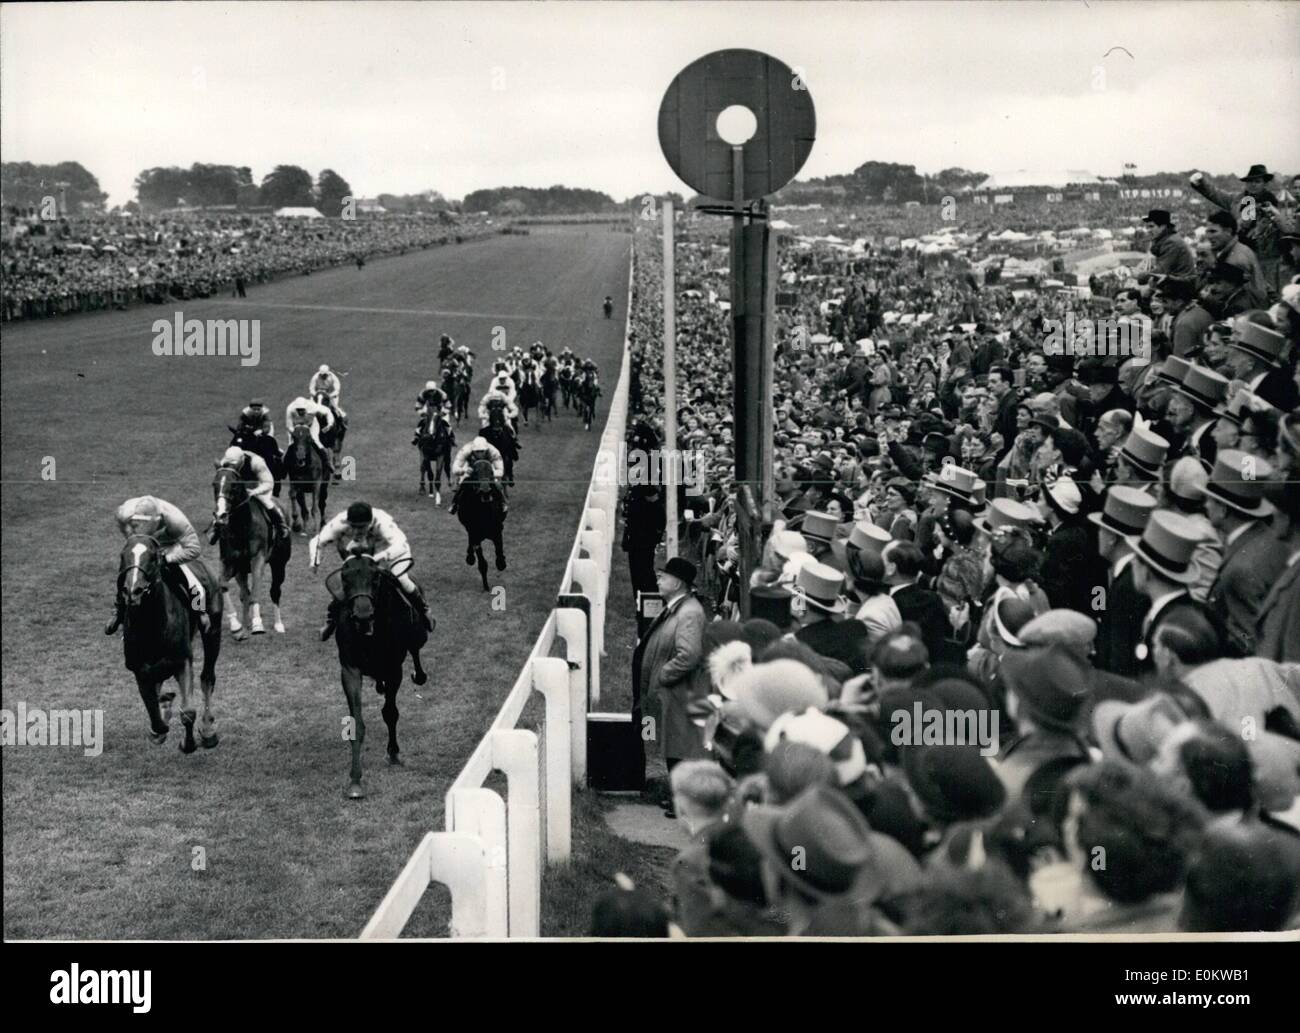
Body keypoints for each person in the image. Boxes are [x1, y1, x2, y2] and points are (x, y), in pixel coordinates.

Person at [633, 556, 707, 812]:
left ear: (677, 583)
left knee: (680, 747)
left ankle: (684, 802)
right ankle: (679, 799)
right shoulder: (679, 607)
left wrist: (663, 675)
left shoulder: (689, 613)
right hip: (673, 693)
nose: (658, 579)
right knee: (673, 746)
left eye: (663, 576)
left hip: (679, 692)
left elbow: (689, 654)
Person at [310, 500, 433, 639]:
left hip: (391, 550)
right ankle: (331, 620)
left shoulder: (383, 522)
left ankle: (423, 610)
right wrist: (315, 560)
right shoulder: (339, 522)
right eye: (353, 527)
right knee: (351, 581)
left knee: (400, 578)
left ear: (369, 523)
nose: (356, 532)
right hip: (364, 550)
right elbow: (317, 541)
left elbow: (401, 545)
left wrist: (380, 557)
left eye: (361, 527)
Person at [105, 496, 211, 634]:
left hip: (171, 545)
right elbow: (130, 539)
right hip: (144, 545)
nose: (143, 528)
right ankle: (118, 611)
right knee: (128, 575)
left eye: (147, 525)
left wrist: (167, 558)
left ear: (158, 520)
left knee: (193, 583)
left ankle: (200, 611)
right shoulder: (123, 514)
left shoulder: (176, 521)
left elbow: (194, 548)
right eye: (138, 524)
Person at [216, 445, 289, 543]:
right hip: (239, 489)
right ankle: (215, 528)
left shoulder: (256, 462)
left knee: (266, 502)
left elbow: (269, 483)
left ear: (242, 460)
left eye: (235, 464)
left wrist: (255, 491)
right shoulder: (225, 462)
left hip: (258, 486)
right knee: (224, 506)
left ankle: (281, 525)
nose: (232, 466)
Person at [448, 434, 508, 516]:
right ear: (472, 451)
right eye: (477, 451)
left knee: (497, 483)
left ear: (486, 450)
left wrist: (491, 473)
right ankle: (454, 503)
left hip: (488, 469)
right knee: (463, 482)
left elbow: (500, 471)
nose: (480, 454)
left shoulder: (494, 452)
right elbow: (455, 468)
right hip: (471, 468)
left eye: (482, 451)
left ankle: (502, 502)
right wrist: (464, 470)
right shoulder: (465, 450)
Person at [284, 394, 335, 478]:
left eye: (302, 410)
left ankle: (328, 462)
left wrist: (330, 424)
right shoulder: (290, 409)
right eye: (298, 410)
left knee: (317, 442)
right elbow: (288, 426)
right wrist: (297, 435)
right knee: (290, 445)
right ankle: (284, 468)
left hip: (311, 426)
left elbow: (328, 412)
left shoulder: (313, 406)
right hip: (296, 428)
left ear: (306, 408)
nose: (300, 412)